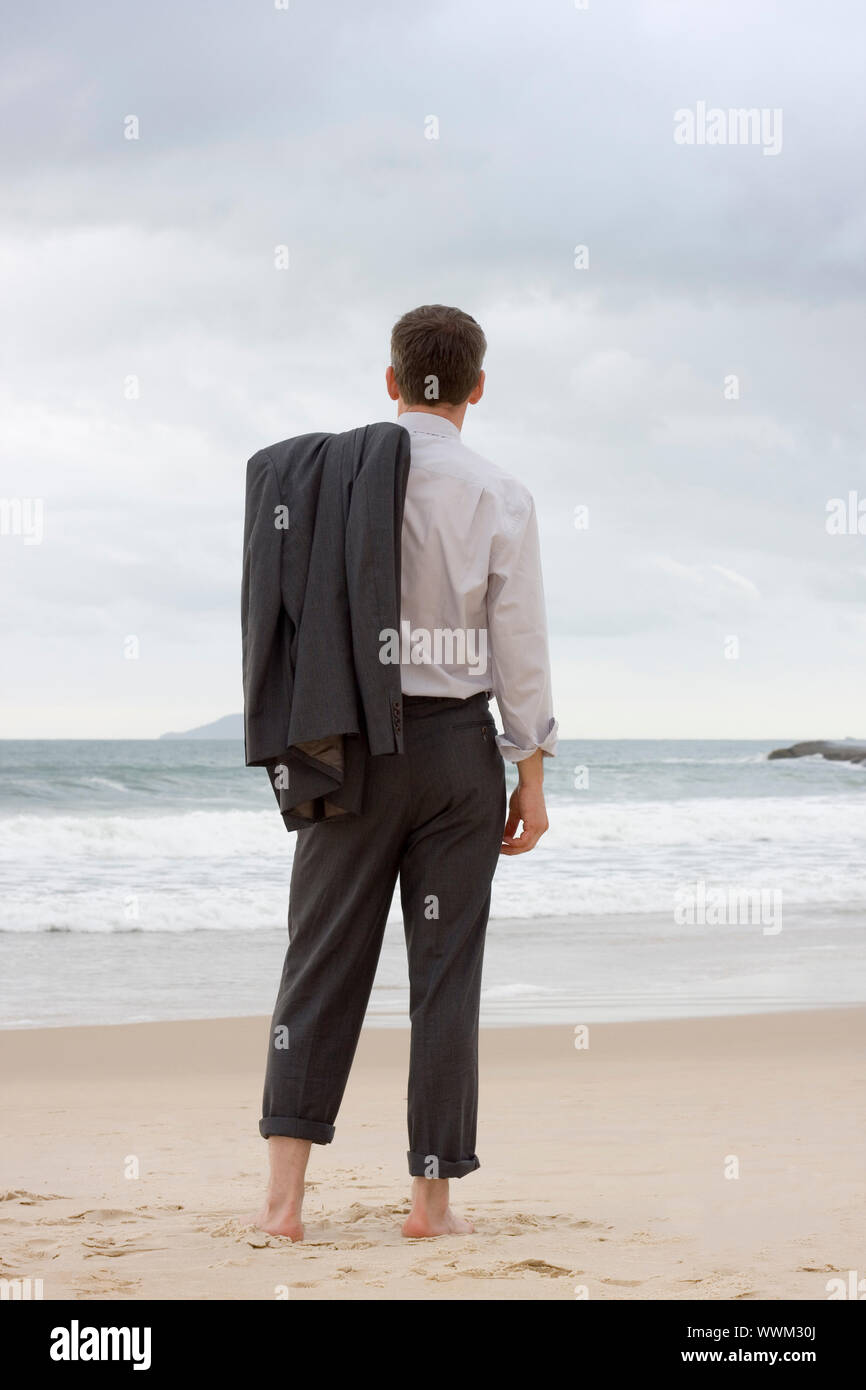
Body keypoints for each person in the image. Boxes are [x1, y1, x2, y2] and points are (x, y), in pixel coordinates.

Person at [255, 304, 558, 1240]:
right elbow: (522, 648)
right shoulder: (499, 493)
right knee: (446, 977)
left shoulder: (328, 482)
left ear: (392, 383)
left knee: (319, 965)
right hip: (459, 754)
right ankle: (431, 1204)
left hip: (346, 745)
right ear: (475, 387)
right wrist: (531, 776)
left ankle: (282, 1208)